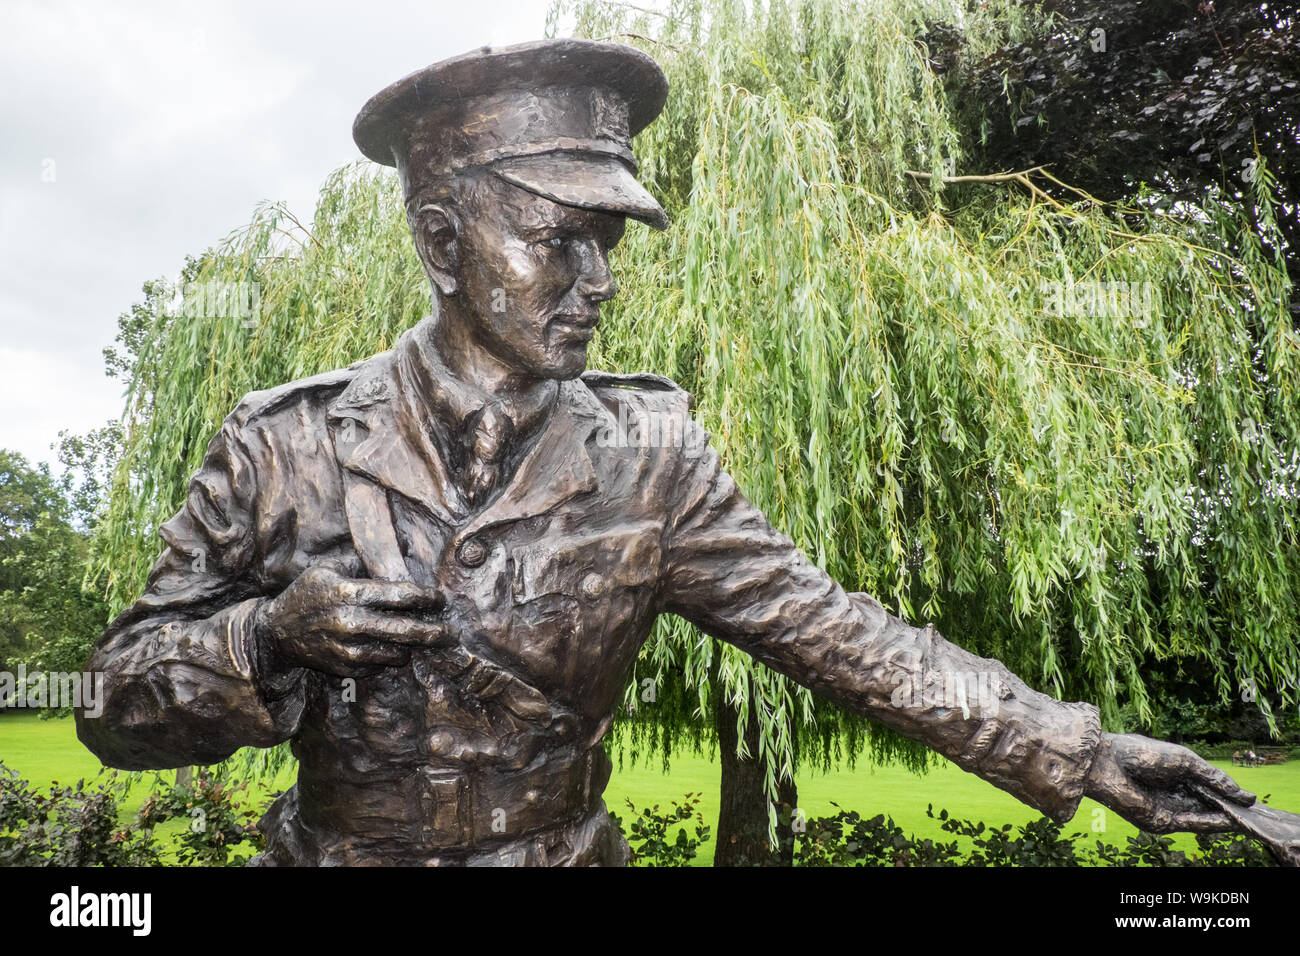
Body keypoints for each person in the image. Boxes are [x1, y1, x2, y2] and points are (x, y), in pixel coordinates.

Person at [76, 38, 1265, 866]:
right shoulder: (282, 444)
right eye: (561, 241)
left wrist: (1080, 748)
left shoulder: (652, 450)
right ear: (441, 239)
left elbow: (846, 639)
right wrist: (264, 636)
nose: (597, 283)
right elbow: (110, 706)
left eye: (611, 243)